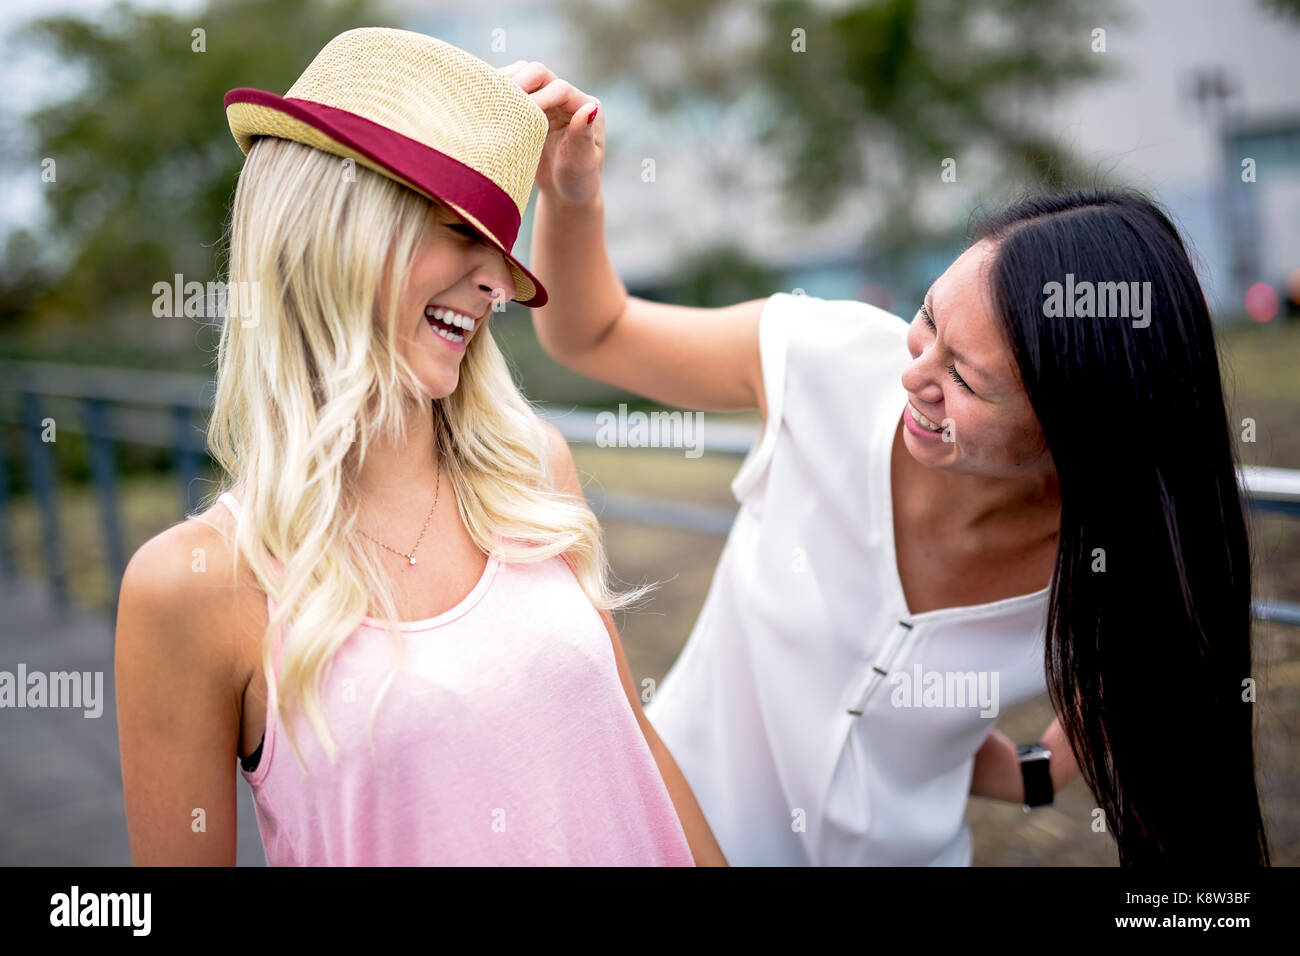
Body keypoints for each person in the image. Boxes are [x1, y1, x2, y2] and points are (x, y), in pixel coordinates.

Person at [505, 60, 1271, 867]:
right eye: (928, 317)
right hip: (675, 843)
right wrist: (573, 190)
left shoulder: (1117, 553)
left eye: (965, 377)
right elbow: (590, 332)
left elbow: (1151, 704)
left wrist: (1034, 776)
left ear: (1073, 435)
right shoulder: (827, 357)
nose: (912, 375)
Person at [115, 28, 725, 866]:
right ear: (333, 229)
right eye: (457, 228)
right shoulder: (192, 587)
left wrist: (566, 190)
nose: (501, 284)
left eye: (503, 250)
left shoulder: (530, 469)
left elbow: (635, 746)